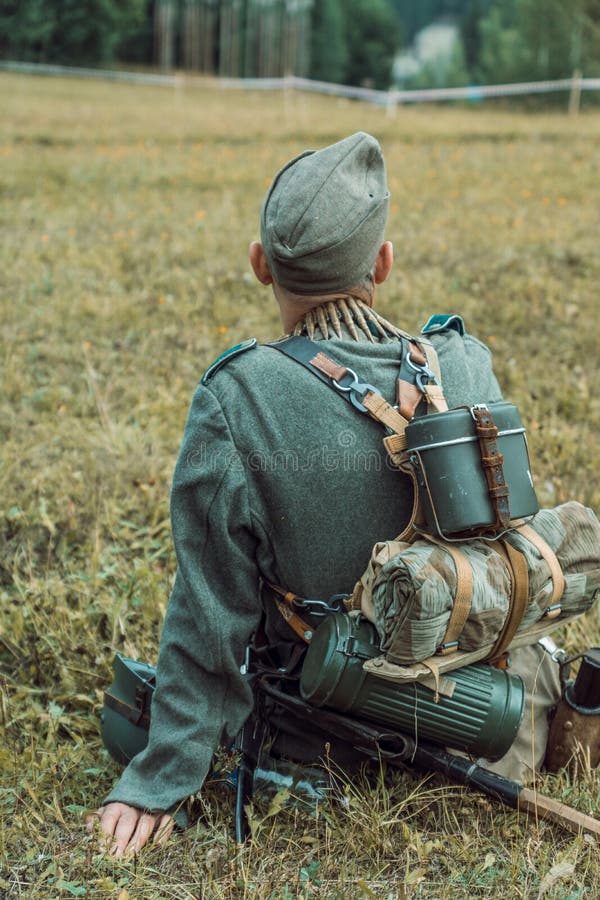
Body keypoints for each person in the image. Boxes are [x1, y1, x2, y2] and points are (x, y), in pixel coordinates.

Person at [87, 132, 560, 856]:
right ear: (383, 262)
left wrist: (162, 778)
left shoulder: (238, 400)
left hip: (321, 730)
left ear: (258, 265)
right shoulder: (465, 364)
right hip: (484, 715)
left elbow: (210, 620)